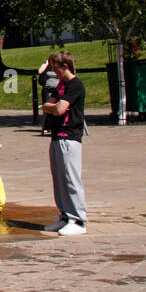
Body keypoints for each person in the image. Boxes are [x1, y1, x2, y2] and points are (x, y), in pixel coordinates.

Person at [42, 51, 87, 236]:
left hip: (70, 136)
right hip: (56, 136)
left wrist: (52, 107)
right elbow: (48, 105)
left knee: (71, 179)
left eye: (56, 69)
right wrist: (52, 107)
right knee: (59, 179)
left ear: (65, 66)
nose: (54, 73)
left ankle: (79, 220)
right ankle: (65, 216)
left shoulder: (75, 85)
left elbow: (59, 109)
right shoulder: (61, 85)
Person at [37, 59, 59, 136]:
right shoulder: (47, 66)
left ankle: (53, 125)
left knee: (55, 107)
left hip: (57, 88)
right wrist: (46, 64)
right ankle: (46, 126)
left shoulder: (58, 66)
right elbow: (40, 71)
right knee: (47, 107)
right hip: (47, 88)